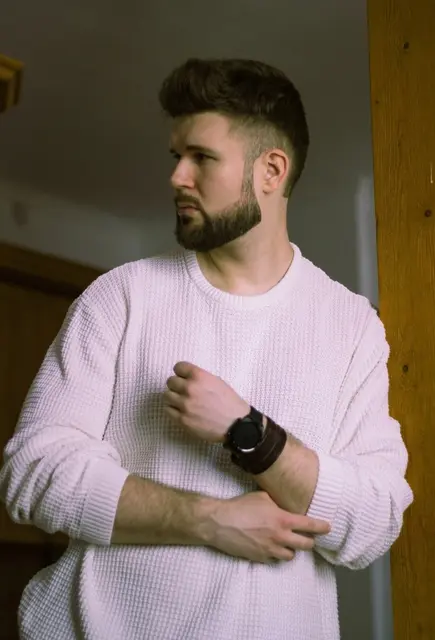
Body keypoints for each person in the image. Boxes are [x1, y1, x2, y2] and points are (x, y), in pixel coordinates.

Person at [0, 58, 413, 640]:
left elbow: (373, 525)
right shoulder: (120, 297)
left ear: (271, 170)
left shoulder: (351, 327)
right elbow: (33, 474)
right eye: (176, 156)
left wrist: (252, 435)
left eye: (202, 157)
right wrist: (211, 520)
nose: (177, 177)